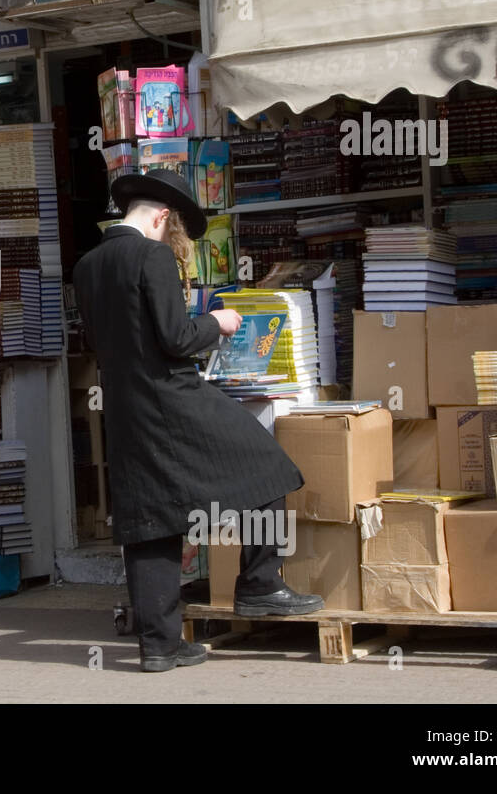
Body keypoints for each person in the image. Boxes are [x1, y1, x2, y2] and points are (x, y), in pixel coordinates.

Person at [72, 168, 324, 674]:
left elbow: (98, 341)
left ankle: (160, 646)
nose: (173, 238)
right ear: (162, 217)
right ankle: (258, 585)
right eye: (174, 228)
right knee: (269, 466)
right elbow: (177, 338)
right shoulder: (151, 255)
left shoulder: (87, 265)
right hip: (173, 398)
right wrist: (218, 322)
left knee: (150, 521)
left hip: (125, 407)